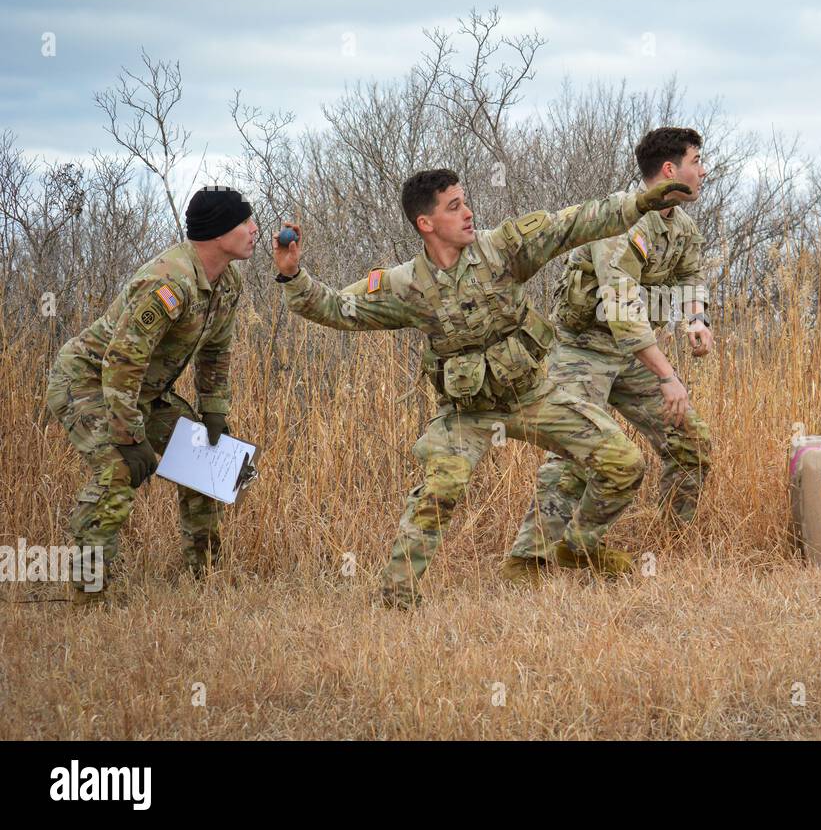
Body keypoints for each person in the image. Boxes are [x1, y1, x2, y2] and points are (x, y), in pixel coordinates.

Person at [271, 168, 696, 608]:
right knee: (439, 491)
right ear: (426, 223)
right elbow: (336, 308)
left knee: (622, 461)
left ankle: (578, 545)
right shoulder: (404, 285)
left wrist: (640, 203)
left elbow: (573, 222)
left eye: (466, 201)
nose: (469, 213)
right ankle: (396, 599)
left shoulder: (502, 249)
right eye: (454, 207)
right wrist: (291, 275)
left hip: (534, 396)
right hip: (466, 414)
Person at [503, 128, 713, 583]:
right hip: (585, 351)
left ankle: (672, 542)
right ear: (670, 170)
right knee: (577, 454)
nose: (704, 170)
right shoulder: (622, 223)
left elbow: (692, 275)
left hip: (631, 357)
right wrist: (667, 376)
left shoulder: (681, 226)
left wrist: (698, 320)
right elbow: (622, 310)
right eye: (697, 160)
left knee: (690, 443)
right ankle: (528, 563)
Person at [45, 186, 256, 602]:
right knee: (117, 474)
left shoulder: (226, 282)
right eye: (244, 222)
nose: (254, 229)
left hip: (139, 390)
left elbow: (216, 351)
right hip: (87, 382)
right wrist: (129, 437)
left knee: (206, 460)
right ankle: (89, 595)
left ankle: (204, 576)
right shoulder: (168, 284)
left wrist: (214, 412)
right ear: (217, 233)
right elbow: (121, 361)